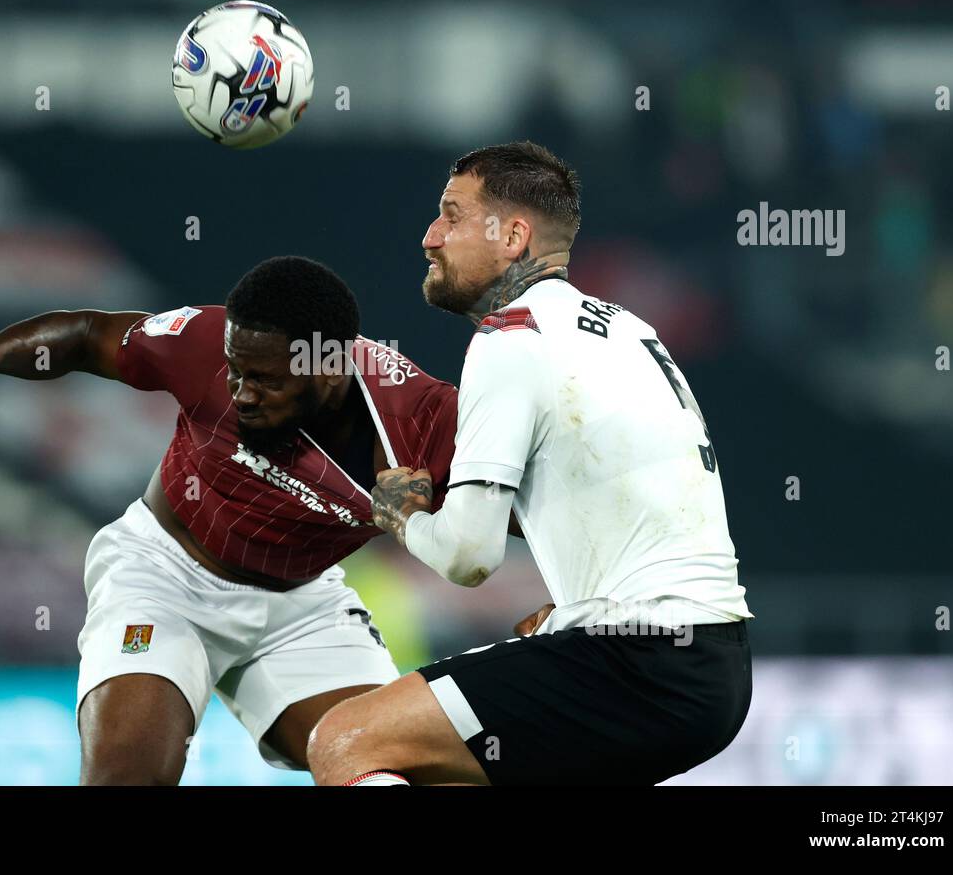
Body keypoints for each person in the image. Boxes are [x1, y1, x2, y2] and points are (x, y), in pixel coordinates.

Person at [0, 256, 468, 784]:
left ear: (328, 369)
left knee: (398, 763)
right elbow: (91, 335)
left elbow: (521, 506)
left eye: (265, 380)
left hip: (301, 605)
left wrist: (560, 604)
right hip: (164, 576)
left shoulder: (422, 425)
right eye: (236, 371)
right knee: (127, 779)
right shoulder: (200, 343)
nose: (242, 393)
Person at [306, 142, 754, 786]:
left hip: (641, 655)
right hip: (709, 660)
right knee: (452, 768)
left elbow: (469, 556)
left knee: (347, 741)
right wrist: (574, 609)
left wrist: (400, 517)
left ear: (513, 236)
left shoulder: (510, 341)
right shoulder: (632, 329)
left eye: (452, 216)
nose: (431, 237)